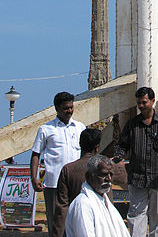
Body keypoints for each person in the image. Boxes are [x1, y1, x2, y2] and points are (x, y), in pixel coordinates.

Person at [113, 86, 158, 237]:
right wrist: (118, 156)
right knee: (136, 216)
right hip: (138, 179)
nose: (141, 106)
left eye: (144, 102)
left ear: (152, 101)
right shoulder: (132, 125)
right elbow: (122, 145)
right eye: (139, 103)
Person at [30, 92, 85, 234]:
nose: (69, 111)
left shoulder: (80, 128)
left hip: (77, 183)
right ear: (57, 109)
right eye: (66, 108)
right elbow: (36, 154)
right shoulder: (46, 129)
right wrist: (34, 178)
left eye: (71, 107)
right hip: (54, 183)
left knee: (78, 220)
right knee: (56, 222)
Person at [52, 128, 102, 237]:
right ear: (97, 147)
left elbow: (61, 207)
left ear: (80, 144)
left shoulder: (68, 170)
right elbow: (108, 204)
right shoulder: (103, 171)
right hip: (98, 226)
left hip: (74, 225)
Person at [65, 154, 130, 237]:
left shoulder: (105, 202)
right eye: (104, 174)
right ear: (89, 176)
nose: (109, 179)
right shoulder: (83, 204)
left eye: (111, 174)